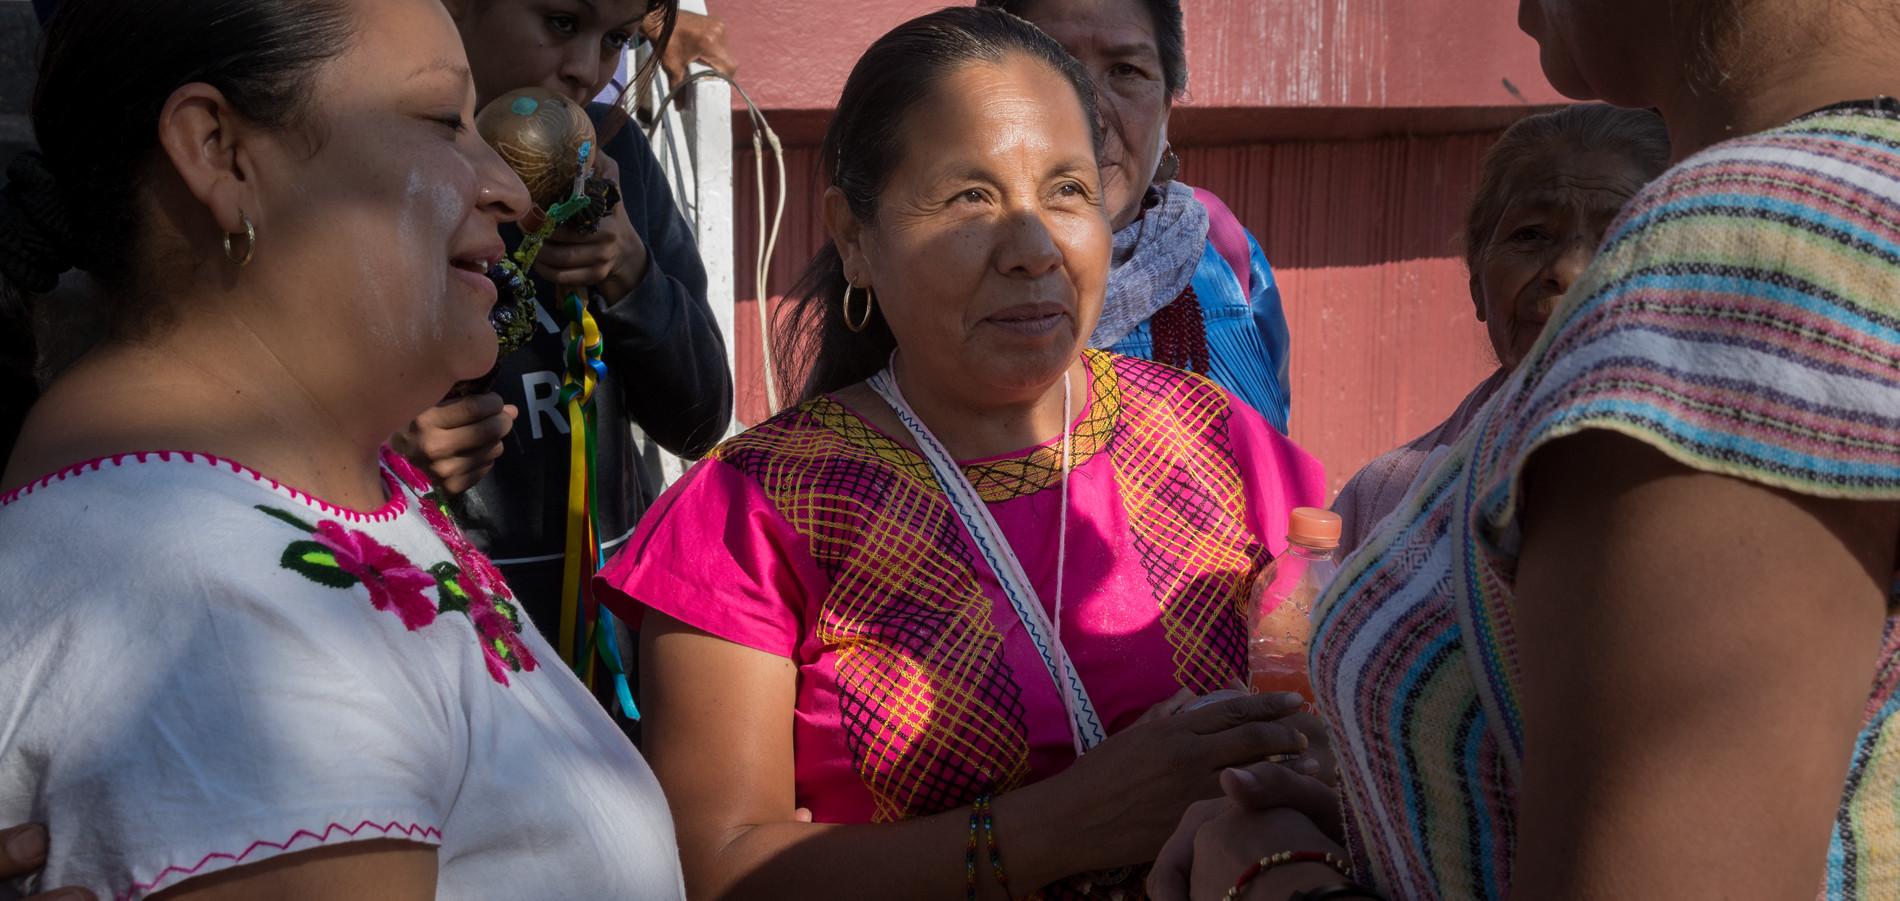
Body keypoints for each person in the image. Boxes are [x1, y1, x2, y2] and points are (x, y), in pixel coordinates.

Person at [1159, 0, 1900, 898]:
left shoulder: (1747, 260)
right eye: (1531, 235)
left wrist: (1279, 878)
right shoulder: (1848, 207)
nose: (1563, 267)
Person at [596, 8, 1330, 898]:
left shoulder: (1219, 442)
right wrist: (1055, 828)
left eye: (1067, 190)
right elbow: (717, 867)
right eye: (969, 198)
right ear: (856, 237)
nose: (1033, 250)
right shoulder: (751, 513)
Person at [0, 1, 682, 897]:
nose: (508, 190)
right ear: (218, 150)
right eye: (442, 124)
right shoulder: (214, 604)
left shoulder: (277, 500)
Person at [401, 0, 734, 693]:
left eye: (614, 39)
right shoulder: (385, 171)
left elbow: (699, 417)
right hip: (436, 645)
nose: (587, 70)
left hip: (608, 661)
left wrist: (636, 278)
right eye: (560, 22)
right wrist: (382, 456)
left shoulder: (619, 164)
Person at [1331, 105, 1669, 557]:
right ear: (1476, 278)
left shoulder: (1703, 491)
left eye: (1618, 238)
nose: (1566, 271)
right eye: (1530, 235)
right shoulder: (1380, 500)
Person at [979, 0, 1295, 433]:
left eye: (1126, 70)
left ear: (1166, 108)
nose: (1090, 117)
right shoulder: (935, 268)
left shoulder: (1216, 243)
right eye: (1050, 63)